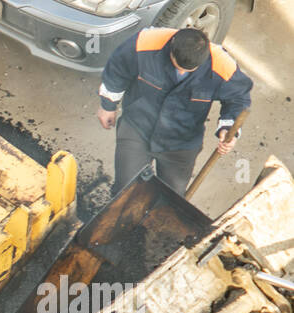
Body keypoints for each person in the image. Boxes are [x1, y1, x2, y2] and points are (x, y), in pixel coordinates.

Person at [96, 27, 252, 197]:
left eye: (188, 70)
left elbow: (238, 99)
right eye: (178, 67)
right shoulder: (145, 43)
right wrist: (107, 106)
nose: (182, 72)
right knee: (125, 190)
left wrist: (228, 128)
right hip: (136, 129)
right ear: (171, 48)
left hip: (181, 144)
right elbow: (118, 70)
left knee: (171, 197)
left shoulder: (222, 65)